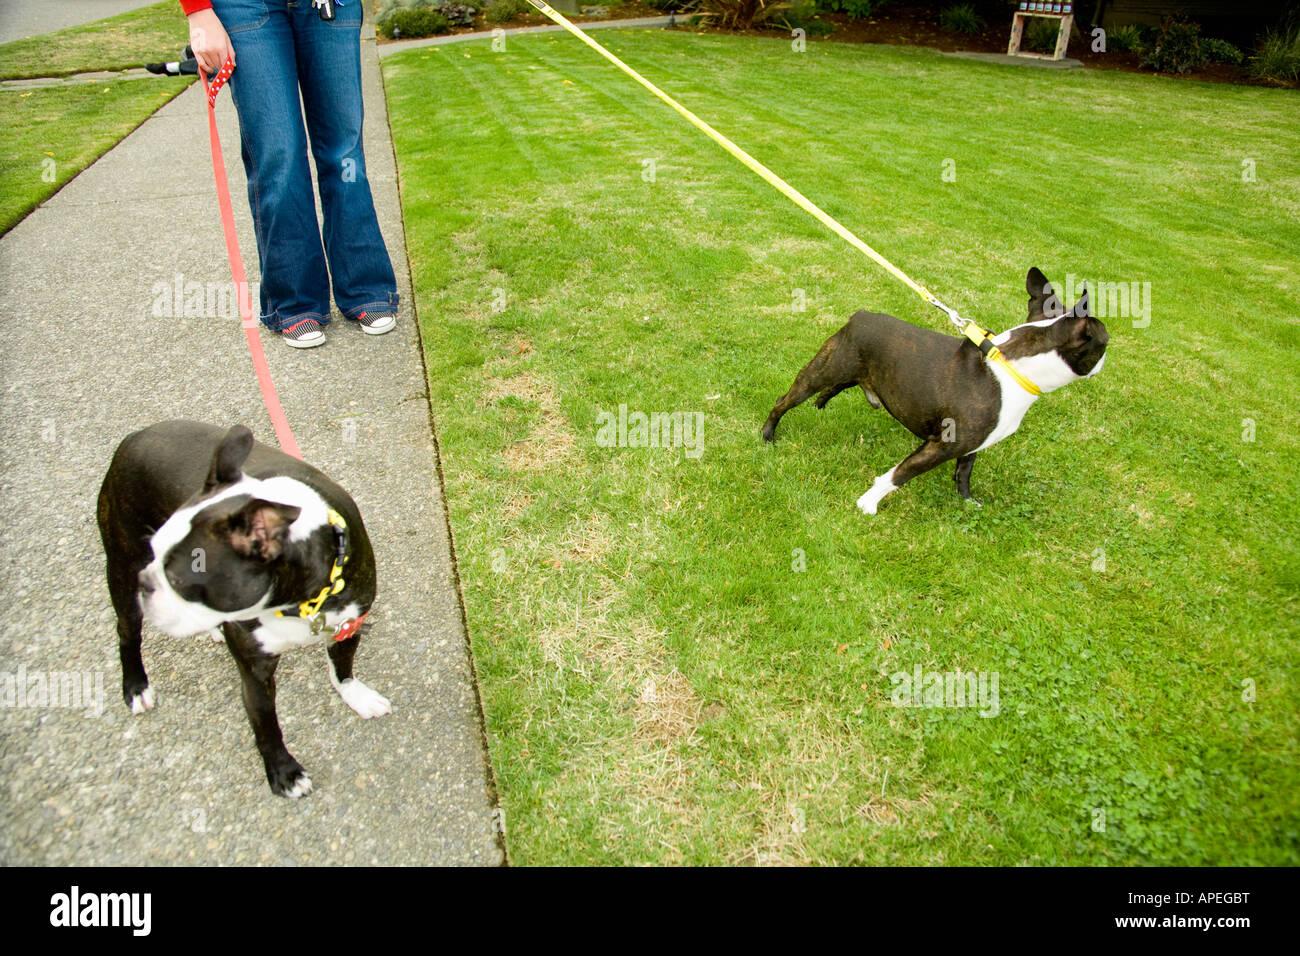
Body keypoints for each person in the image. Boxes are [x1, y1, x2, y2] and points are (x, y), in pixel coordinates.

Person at [182, 0, 399, 347]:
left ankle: (365, 287)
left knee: (344, 153)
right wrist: (198, 12)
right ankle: (295, 302)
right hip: (244, 7)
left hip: (329, 6)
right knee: (277, 153)